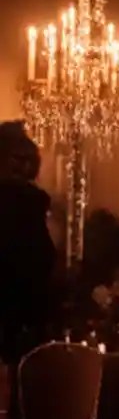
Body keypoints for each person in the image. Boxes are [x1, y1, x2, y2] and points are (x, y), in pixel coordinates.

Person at [0, 120, 55, 364]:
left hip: (23, 307)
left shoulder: (32, 202)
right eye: (16, 160)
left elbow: (42, 255)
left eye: (27, 161)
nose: (22, 167)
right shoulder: (28, 202)